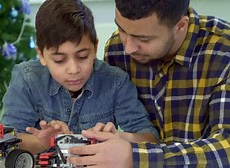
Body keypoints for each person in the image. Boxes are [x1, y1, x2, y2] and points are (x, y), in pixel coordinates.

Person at [68, 0, 230, 167]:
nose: (128, 48)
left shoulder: (224, 51)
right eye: (122, 29)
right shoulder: (116, 49)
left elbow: (226, 148)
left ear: (180, 25)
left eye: (144, 39)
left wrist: (135, 157)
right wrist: (121, 139)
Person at [0, 0, 158, 155]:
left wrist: (119, 137)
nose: (74, 70)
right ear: (41, 54)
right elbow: (6, 139)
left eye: (82, 56)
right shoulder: (27, 79)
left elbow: (150, 139)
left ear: (95, 47)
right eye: (59, 60)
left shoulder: (115, 82)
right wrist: (41, 143)